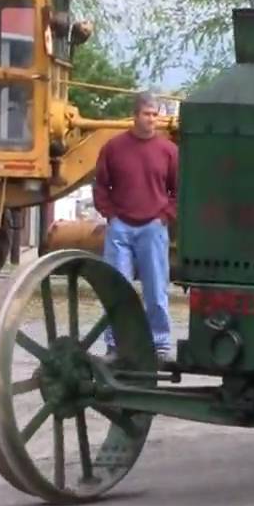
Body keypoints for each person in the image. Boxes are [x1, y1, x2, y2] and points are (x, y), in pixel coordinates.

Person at [92, 92, 178, 362]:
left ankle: (160, 343)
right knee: (116, 287)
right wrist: (109, 214)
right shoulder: (114, 147)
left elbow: (179, 189)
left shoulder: (169, 151)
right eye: (147, 114)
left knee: (156, 288)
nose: (151, 119)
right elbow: (101, 184)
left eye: (155, 114)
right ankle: (114, 343)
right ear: (135, 115)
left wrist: (166, 215)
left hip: (153, 227)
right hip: (120, 229)